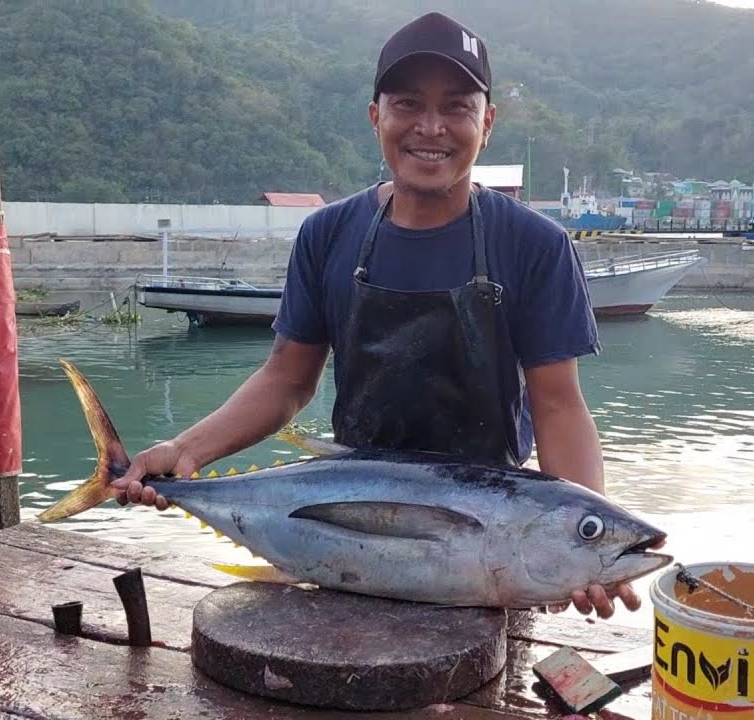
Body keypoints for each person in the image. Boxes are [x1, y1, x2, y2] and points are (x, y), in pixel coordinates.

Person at [114, 12, 655, 620]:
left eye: (456, 106)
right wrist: (184, 453)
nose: (431, 128)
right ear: (376, 116)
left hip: (489, 543)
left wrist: (587, 542)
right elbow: (288, 380)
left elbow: (558, 403)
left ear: (488, 122)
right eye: (406, 104)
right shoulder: (327, 234)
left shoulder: (536, 246)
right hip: (347, 525)